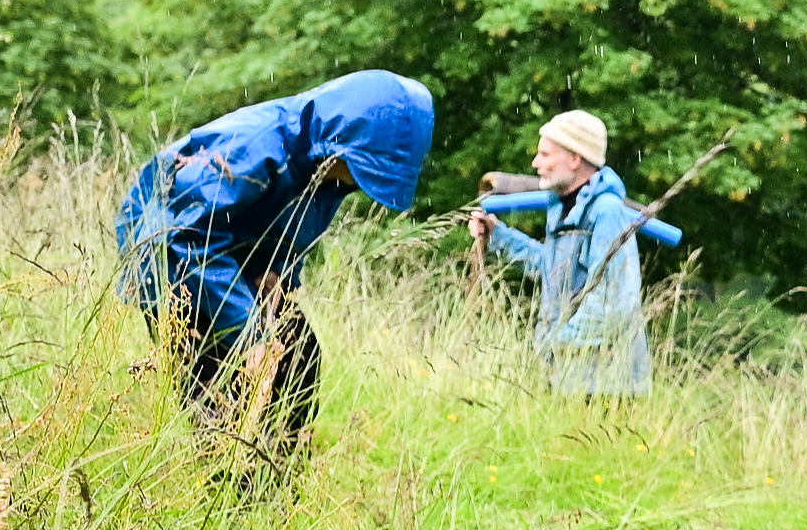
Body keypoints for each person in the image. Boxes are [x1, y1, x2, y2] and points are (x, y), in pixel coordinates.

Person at [117, 70, 436, 469]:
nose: (360, 183)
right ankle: (231, 486)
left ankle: (282, 479)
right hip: (176, 265)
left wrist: (278, 275)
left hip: (235, 258)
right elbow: (189, 238)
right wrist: (250, 334)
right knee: (226, 385)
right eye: (363, 171)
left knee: (300, 354)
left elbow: (288, 231)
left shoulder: (332, 174)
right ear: (346, 144)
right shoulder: (257, 146)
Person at [469, 108, 680, 395]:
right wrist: (499, 236)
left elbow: (613, 300)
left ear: (574, 159)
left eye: (545, 155)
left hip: (608, 387)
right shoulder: (562, 207)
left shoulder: (606, 212)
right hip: (573, 379)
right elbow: (554, 269)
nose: (536, 163)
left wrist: (558, 342)